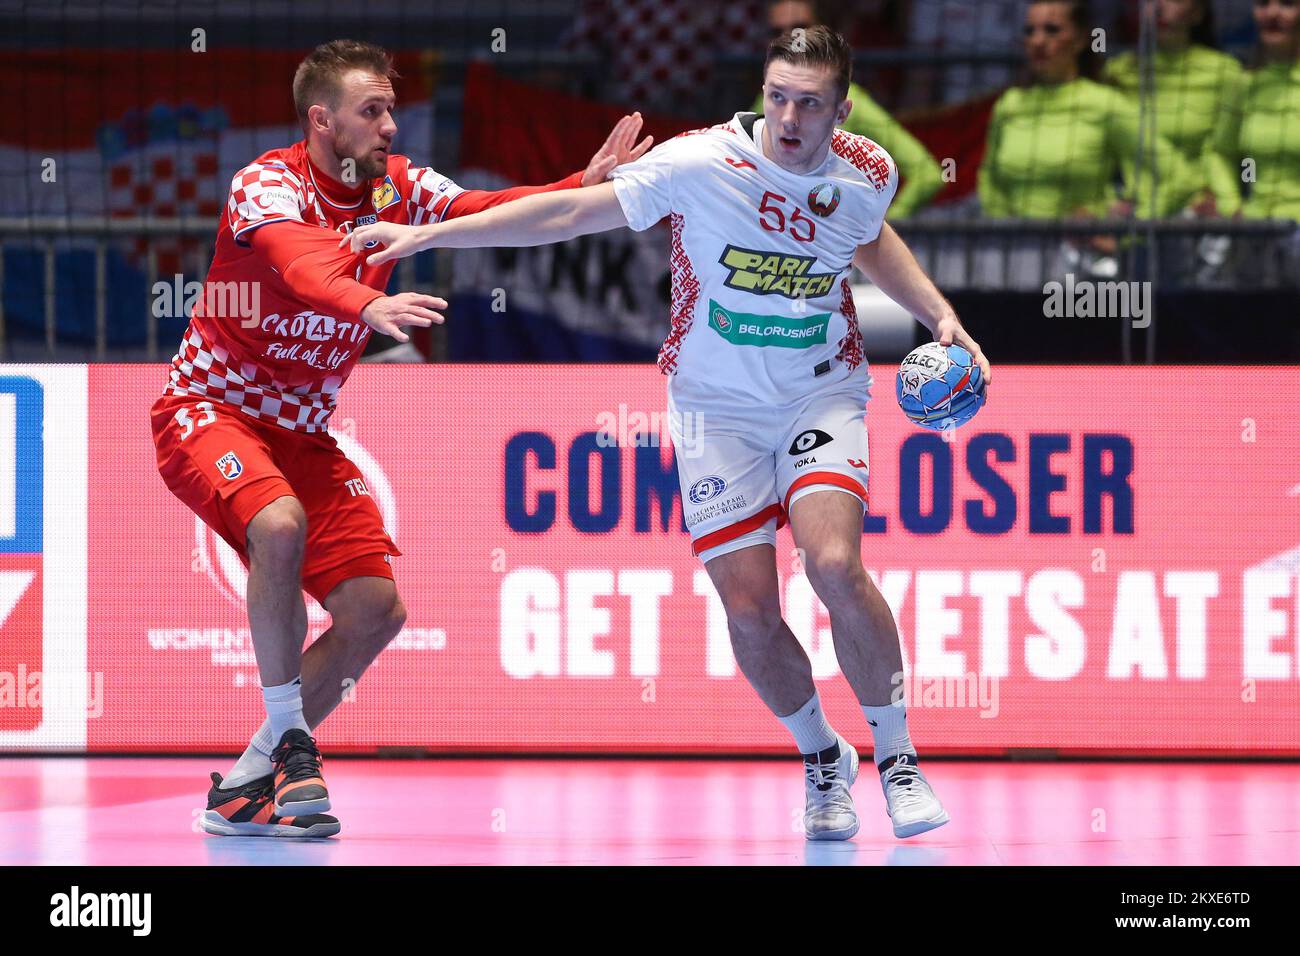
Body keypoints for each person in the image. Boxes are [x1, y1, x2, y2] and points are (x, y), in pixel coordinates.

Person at [346, 26, 985, 841]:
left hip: (820, 394)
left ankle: (897, 759)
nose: (789, 118)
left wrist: (939, 312)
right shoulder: (699, 162)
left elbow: (865, 234)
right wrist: (429, 236)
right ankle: (823, 757)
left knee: (832, 562)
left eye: (810, 104)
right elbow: (572, 211)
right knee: (749, 609)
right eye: (777, 96)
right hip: (713, 409)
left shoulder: (868, 169)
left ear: (843, 111)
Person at [150, 39, 651, 837]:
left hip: (303, 434)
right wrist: (364, 305)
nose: (390, 125)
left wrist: (574, 187)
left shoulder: (397, 184)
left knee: (376, 611)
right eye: (371, 111)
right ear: (322, 120)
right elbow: (301, 264)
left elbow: (484, 212)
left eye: (392, 107)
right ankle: (293, 746)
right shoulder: (265, 185)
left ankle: (247, 784)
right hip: (208, 410)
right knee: (278, 525)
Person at [979, 0, 1200, 224]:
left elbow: (1180, 177)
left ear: (1080, 40)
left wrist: (1128, 225)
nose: (1037, 41)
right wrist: (1004, 233)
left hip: (1081, 251)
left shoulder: (1105, 103)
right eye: (1029, 31)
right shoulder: (1009, 104)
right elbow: (989, 181)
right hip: (1011, 250)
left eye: (1052, 30)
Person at [751, 1, 943, 218]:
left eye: (799, 29)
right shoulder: (761, 105)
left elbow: (926, 172)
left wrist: (874, 230)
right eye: (777, 31)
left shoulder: (855, 103)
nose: (791, 40)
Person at [1102, 0, 1248, 218]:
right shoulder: (1115, 73)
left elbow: (1225, 152)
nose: (1159, 6)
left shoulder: (1226, 71)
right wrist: (1111, 201)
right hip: (1136, 213)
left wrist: (1224, 200)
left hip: (1201, 213)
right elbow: (1100, 153)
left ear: (1197, 13)